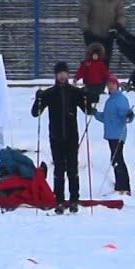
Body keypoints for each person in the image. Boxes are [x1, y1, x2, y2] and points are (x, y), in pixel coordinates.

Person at [32, 61, 92, 213]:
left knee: (72, 168)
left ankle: (74, 200)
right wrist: (38, 98)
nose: (62, 76)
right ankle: (59, 200)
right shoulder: (50, 93)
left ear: (68, 74)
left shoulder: (74, 92)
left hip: (72, 135)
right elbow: (35, 113)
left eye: (65, 73)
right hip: (56, 136)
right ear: (56, 75)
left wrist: (87, 96)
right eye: (60, 74)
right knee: (58, 169)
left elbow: (87, 110)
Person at [93, 76, 135, 196]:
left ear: (117, 85)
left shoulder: (120, 99)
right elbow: (106, 117)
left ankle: (124, 186)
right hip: (111, 134)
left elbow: (125, 116)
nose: (110, 86)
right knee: (115, 159)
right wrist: (95, 113)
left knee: (117, 159)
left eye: (112, 84)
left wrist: (129, 116)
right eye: (108, 84)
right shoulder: (110, 100)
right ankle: (120, 185)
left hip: (118, 133)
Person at [78, 0, 126, 67]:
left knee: (106, 60)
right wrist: (86, 29)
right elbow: (83, 14)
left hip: (109, 35)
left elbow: (122, 15)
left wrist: (119, 25)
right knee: (92, 60)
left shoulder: (116, 0)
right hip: (92, 35)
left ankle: (103, 79)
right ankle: (91, 80)